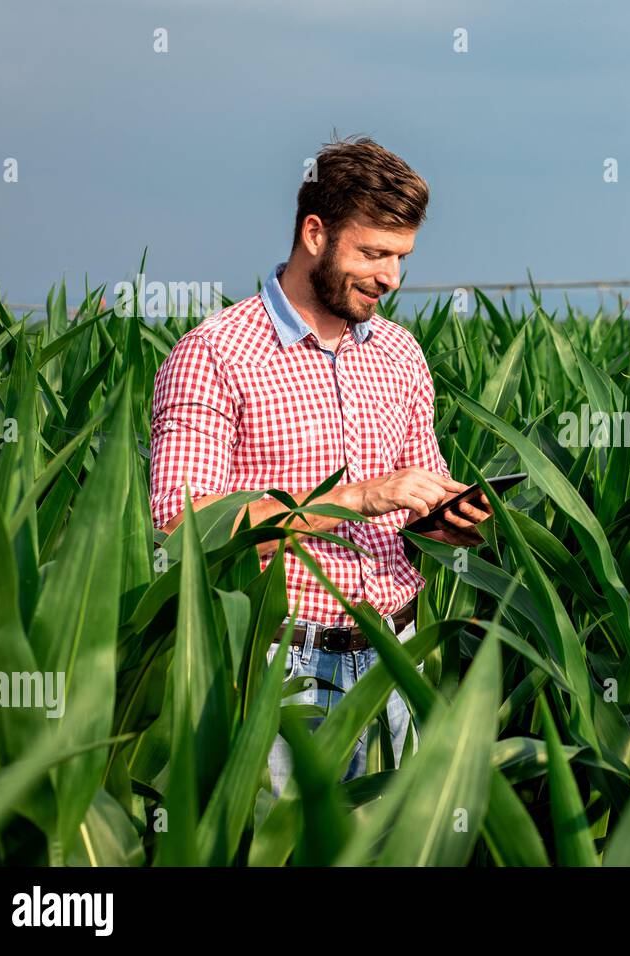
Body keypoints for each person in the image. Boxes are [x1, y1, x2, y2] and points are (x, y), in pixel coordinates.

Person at [148, 135, 490, 796]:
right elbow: (185, 524)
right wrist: (353, 498)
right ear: (314, 233)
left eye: (401, 257)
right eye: (373, 253)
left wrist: (451, 520)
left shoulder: (399, 353)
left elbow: (414, 502)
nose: (391, 277)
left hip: (398, 657)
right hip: (278, 667)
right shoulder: (215, 355)